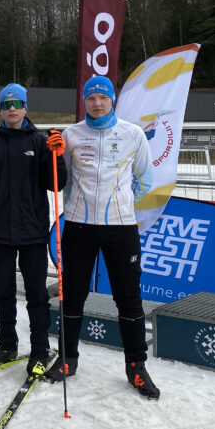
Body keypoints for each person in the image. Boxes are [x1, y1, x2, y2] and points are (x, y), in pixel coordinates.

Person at [45, 76, 160, 399]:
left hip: (121, 228)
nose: (97, 103)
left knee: (128, 296)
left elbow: (145, 178)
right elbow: (63, 178)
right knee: (73, 294)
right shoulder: (72, 134)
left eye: (103, 98)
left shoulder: (132, 133)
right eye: (91, 98)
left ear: (113, 100)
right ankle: (68, 358)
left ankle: (136, 365)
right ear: (85, 101)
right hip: (79, 226)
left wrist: (120, 205)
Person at [0, 83, 66, 377]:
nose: (12, 109)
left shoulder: (40, 142)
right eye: (6, 105)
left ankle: (40, 349)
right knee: (4, 291)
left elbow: (56, 183)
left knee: (36, 294)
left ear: (26, 108)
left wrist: (57, 155)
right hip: (1, 231)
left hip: (32, 231)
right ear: (0, 110)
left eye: (17, 104)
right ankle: (7, 343)